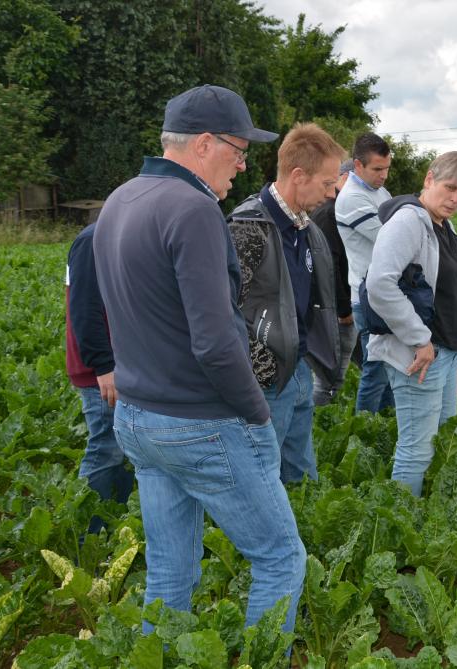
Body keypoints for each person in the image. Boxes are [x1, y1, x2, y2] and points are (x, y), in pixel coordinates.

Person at [92, 84, 305, 636]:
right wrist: (256, 413)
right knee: (281, 558)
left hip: (137, 418)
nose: (242, 165)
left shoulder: (120, 199)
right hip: (198, 421)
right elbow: (214, 341)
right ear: (204, 143)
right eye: (238, 149)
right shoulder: (193, 209)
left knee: (168, 572)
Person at [227, 122, 345, 484]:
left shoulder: (305, 228)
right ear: (298, 176)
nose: (332, 192)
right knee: (259, 475)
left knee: (301, 473)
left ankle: (303, 535)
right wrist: (257, 372)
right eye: (327, 183)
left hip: (298, 368)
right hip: (263, 379)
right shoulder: (247, 227)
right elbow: (229, 311)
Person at [366, 151, 457, 496]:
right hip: (420, 357)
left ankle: (430, 517)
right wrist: (419, 340)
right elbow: (379, 284)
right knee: (417, 449)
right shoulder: (408, 222)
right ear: (429, 179)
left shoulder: (446, 228)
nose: (456, 199)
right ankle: (401, 525)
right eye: (450, 188)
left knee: (443, 438)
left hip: (447, 353)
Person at [65, 224, 134, 535]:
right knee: (106, 448)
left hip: (124, 367)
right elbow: (84, 307)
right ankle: (88, 536)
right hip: (103, 373)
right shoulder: (93, 240)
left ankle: (113, 520)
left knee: (121, 449)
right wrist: (104, 366)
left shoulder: (120, 236)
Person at [337, 132, 395, 413]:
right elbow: (393, 238)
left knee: (389, 366)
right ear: (357, 166)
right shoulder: (352, 198)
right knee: (375, 368)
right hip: (368, 297)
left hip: (384, 292)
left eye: (386, 169)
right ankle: (364, 428)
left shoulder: (377, 191)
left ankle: (384, 421)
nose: (383, 175)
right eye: (377, 169)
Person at [308, 158, 359, 406]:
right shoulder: (329, 212)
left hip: (343, 307)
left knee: (372, 364)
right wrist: (344, 310)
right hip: (336, 313)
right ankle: (320, 420)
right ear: (345, 178)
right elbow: (329, 266)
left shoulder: (335, 208)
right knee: (330, 379)